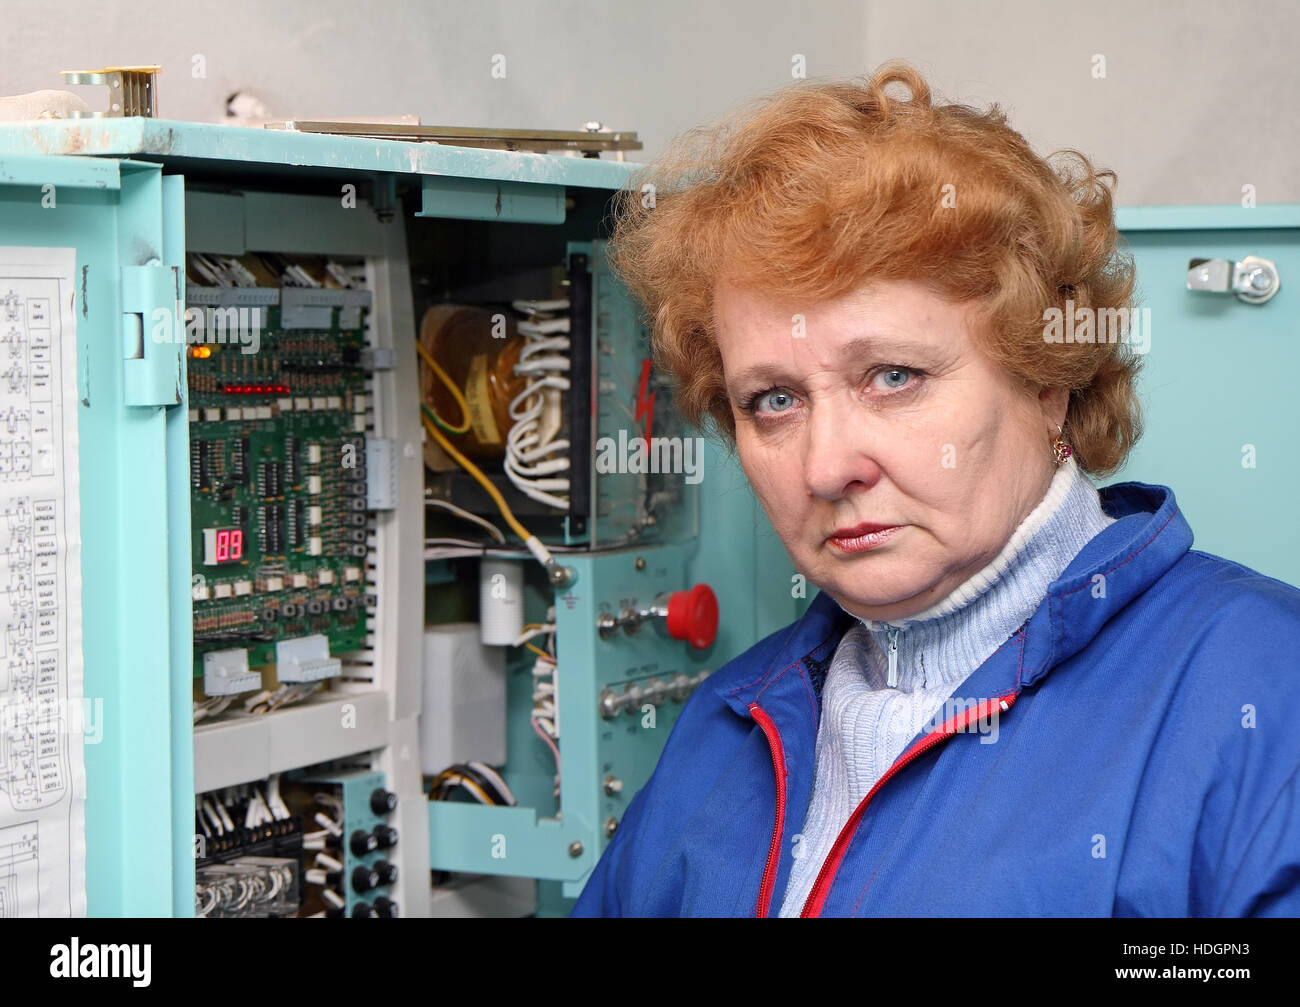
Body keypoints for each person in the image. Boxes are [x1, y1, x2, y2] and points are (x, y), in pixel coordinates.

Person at [570, 61, 1300, 917]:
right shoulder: (723, 728)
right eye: (774, 400)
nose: (826, 466)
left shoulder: (1260, 688)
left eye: (892, 376)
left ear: (1047, 379)